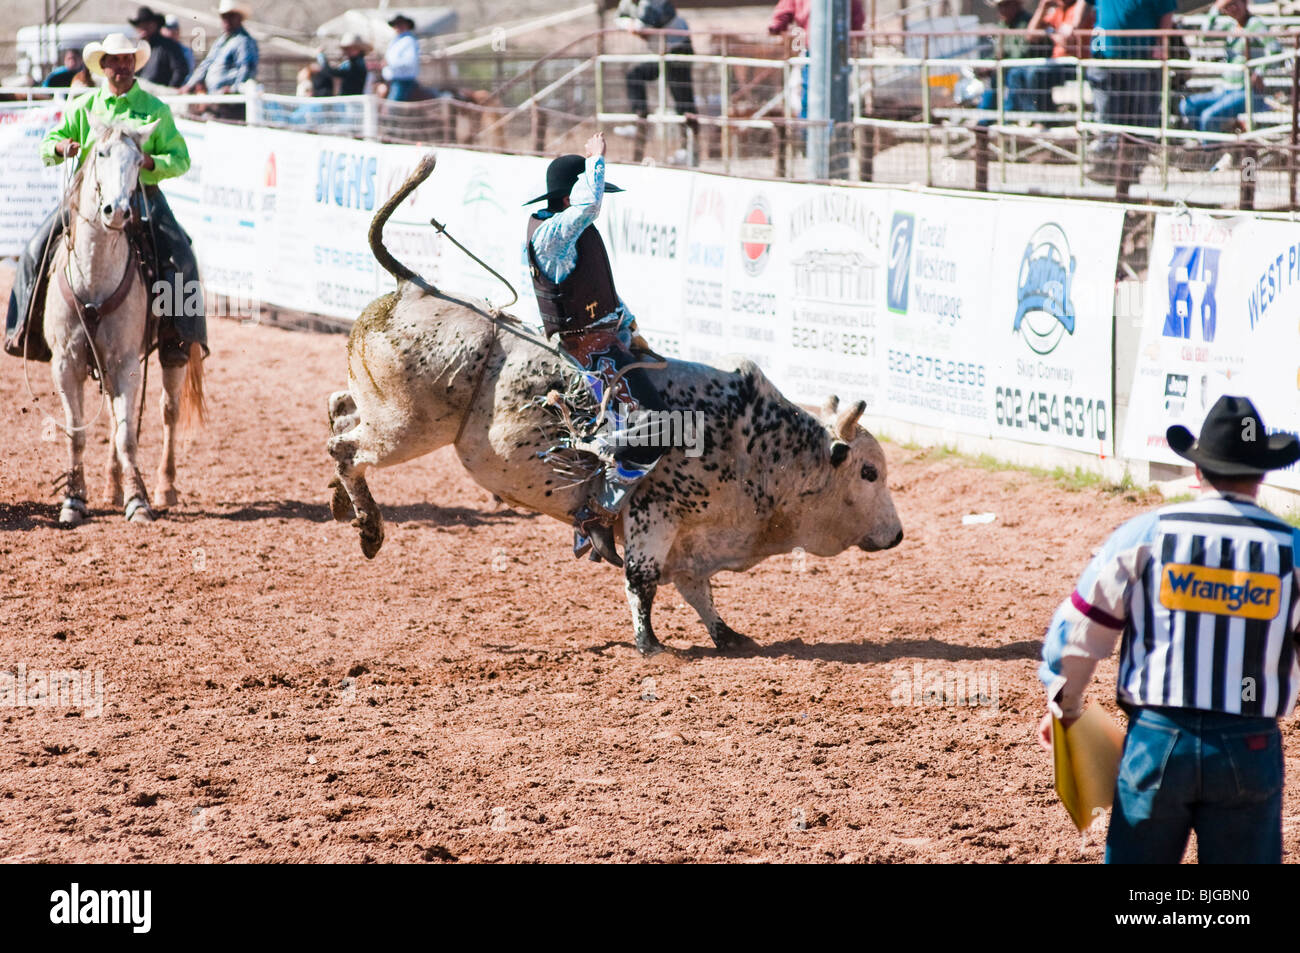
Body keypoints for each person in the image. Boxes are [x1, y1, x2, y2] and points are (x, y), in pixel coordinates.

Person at [1037, 394, 1300, 863]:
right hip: (1249, 742)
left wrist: (1066, 706)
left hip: (1156, 738)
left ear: (1199, 470)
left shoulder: (1144, 535)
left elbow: (1080, 629)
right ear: (1262, 475)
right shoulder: (1291, 550)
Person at [4, 33, 205, 368]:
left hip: (143, 195)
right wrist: (60, 147)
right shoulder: (84, 106)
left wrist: (153, 163)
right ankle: (25, 331)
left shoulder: (155, 109)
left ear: (133, 65)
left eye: (128, 59)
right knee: (34, 250)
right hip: (86, 199)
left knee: (182, 257)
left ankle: (179, 338)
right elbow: (49, 142)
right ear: (104, 65)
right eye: (116, 60)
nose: (122, 66)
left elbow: (180, 158)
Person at [525, 134, 669, 567]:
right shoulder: (552, 235)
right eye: (591, 190)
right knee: (664, 430)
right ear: (571, 194)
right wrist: (596, 161)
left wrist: (631, 329)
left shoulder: (567, 234)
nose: (597, 202)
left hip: (607, 343)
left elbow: (605, 296)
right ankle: (596, 513)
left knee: (663, 416)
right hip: (587, 353)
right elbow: (587, 205)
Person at [1060, 0, 1175, 177]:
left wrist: (1161, 42)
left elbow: (1167, 12)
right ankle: (1106, 167)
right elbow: (1086, 2)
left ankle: (1135, 169)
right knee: (1107, 116)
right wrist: (1073, 25)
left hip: (1142, 59)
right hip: (1104, 57)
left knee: (1141, 119)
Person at [1178, 0, 1278, 133]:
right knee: (1187, 106)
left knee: (1209, 117)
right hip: (1225, 89)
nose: (1232, 8)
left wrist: (1259, 72)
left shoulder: (1255, 24)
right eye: (1228, 5)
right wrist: (1215, 8)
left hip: (1246, 91)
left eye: (1235, 3)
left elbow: (1275, 49)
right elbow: (1204, 35)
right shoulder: (1230, 26)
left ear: (1244, 3)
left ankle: (1211, 150)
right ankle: (1216, 141)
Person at [768, 0, 865, 118]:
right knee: (830, 90)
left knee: (814, 89)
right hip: (831, 47)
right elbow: (857, 16)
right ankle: (829, 128)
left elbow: (785, 9)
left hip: (828, 47)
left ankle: (815, 128)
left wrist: (777, 25)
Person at [617, 0, 698, 136]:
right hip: (660, 52)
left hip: (678, 49)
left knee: (681, 97)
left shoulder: (652, 2)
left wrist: (632, 25)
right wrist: (629, 24)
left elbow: (643, 26)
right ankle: (639, 122)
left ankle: (689, 146)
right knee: (635, 75)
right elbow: (619, 18)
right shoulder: (627, 3)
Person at [1002, 0, 1093, 116]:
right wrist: (1042, 7)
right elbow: (1030, 36)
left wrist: (1050, 32)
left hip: (1075, 63)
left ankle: (1043, 117)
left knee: (1035, 73)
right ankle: (1021, 115)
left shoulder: (1079, 8)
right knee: (1016, 72)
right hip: (1057, 62)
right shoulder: (1057, 10)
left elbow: (1066, 40)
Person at [181, 0, 259, 117]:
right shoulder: (221, 40)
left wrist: (233, 89)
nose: (226, 20)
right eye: (224, 16)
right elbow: (206, 64)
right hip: (214, 97)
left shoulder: (244, 42)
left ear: (238, 18)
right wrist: (190, 85)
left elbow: (246, 69)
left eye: (230, 16)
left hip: (229, 104)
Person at [975, 0, 1041, 125]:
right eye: (1000, 6)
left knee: (1013, 75)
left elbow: (1022, 52)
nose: (1001, 10)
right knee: (993, 80)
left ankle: (1008, 117)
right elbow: (997, 53)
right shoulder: (1003, 25)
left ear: (1016, 5)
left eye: (1005, 5)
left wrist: (1001, 59)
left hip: (1024, 68)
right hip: (1008, 68)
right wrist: (987, 65)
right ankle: (984, 120)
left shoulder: (1026, 22)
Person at [130, 6, 190, 87]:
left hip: (162, 94)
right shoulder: (138, 47)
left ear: (155, 25)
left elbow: (180, 70)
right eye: (140, 25)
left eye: (147, 24)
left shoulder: (169, 46)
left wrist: (169, 91)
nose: (143, 28)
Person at [382, 13, 420, 101]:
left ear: (407, 26)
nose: (398, 27)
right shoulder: (396, 41)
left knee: (393, 106)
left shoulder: (409, 41)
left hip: (403, 81)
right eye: (396, 24)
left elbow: (410, 61)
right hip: (393, 80)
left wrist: (389, 63)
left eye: (400, 24)